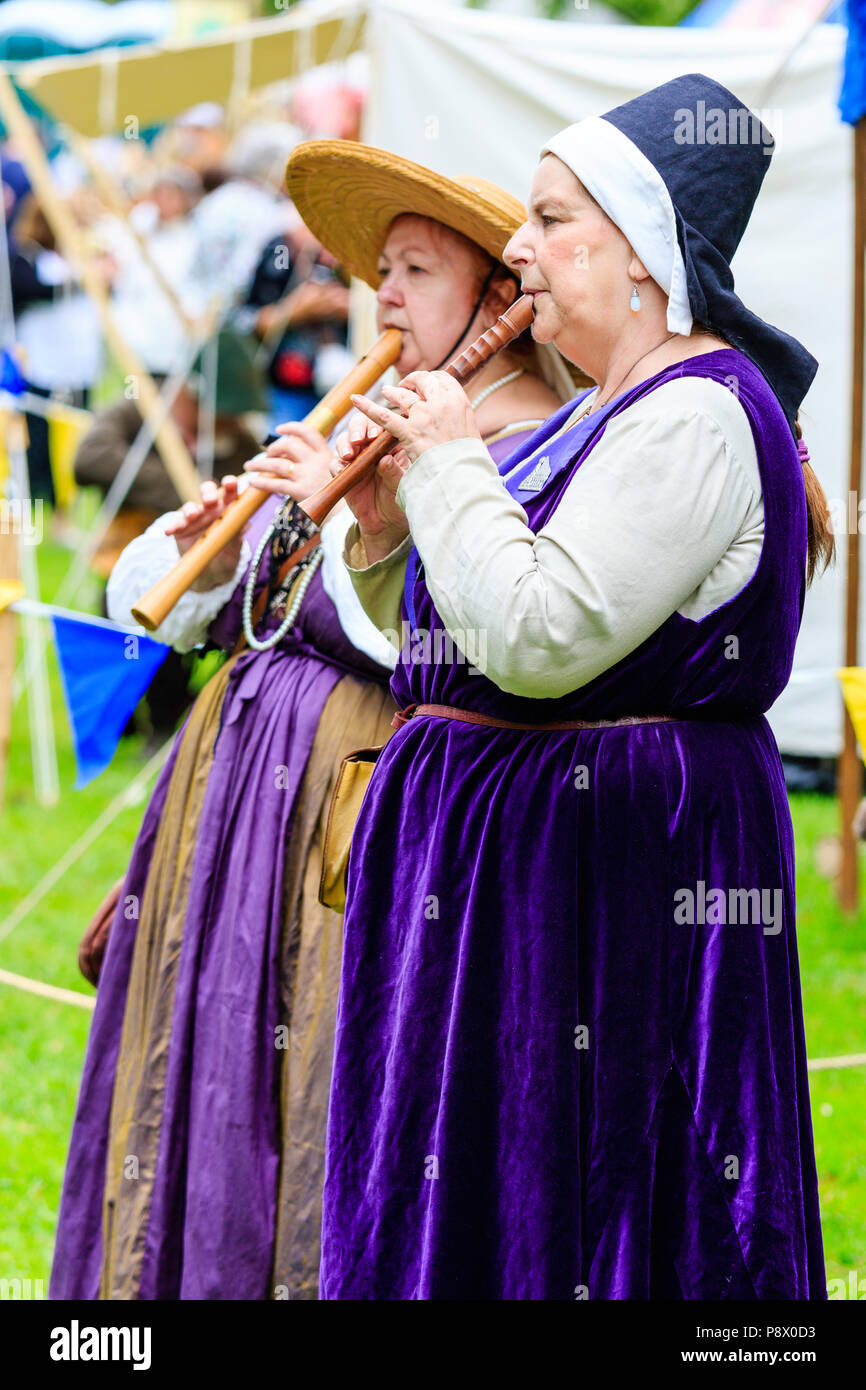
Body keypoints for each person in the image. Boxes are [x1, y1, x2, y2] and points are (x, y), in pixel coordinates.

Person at [319, 74, 834, 1301]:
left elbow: (539, 638)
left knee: (593, 1193)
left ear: (644, 255)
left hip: (607, 863)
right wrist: (395, 526)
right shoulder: (598, 413)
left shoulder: (696, 416)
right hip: (516, 864)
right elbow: (449, 646)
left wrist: (447, 461)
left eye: (552, 221)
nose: (518, 247)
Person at [49, 152, 570, 1300]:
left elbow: (484, 655)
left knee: (329, 1078)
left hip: (368, 808)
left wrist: (364, 522)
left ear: (501, 300)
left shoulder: (530, 446)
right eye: (379, 269)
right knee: (212, 1057)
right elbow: (182, 610)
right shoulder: (361, 418)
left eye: (415, 270)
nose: (378, 297)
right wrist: (232, 537)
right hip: (238, 795)